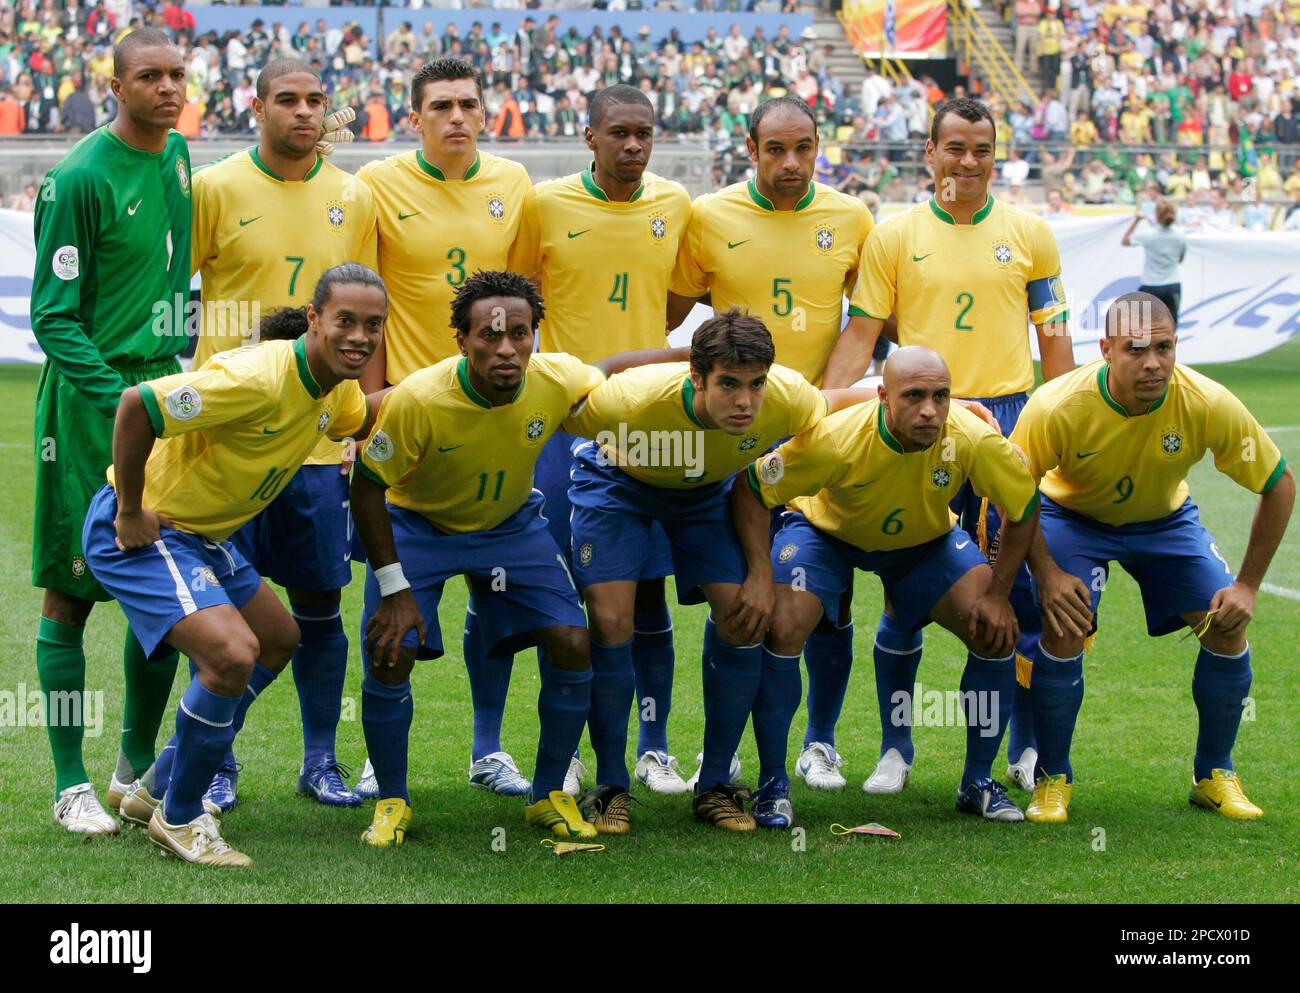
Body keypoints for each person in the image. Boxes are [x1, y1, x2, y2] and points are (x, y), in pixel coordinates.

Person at [349, 270, 681, 846]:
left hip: (509, 526)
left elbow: (615, 368)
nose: (506, 349)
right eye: (489, 336)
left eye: (520, 335)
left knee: (573, 640)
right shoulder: (420, 399)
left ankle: (548, 794)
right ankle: (392, 800)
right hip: (417, 526)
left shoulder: (553, 378)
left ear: (535, 335)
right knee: (389, 651)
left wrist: (690, 353)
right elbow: (366, 483)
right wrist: (395, 588)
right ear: (462, 340)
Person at [82, 265, 386, 866]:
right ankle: (182, 817)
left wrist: (445, 389)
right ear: (314, 320)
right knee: (230, 654)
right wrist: (130, 508)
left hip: (204, 538)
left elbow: (364, 415)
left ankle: (158, 787)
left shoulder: (338, 388)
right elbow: (137, 403)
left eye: (372, 325)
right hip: (152, 533)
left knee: (277, 639)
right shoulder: (255, 376)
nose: (359, 336)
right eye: (345, 321)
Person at [830, 96, 1075, 802]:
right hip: (922, 420)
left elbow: (1053, 341)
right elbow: (862, 333)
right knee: (908, 593)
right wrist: (815, 409)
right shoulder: (894, 236)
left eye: (982, 149)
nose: (968, 161)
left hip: (1005, 423)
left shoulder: (1031, 233)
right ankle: (895, 746)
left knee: (1018, 597)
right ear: (929, 153)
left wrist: (1063, 430)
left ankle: (1022, 748)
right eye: (955, 148)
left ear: (996, 156)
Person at [563, 311, 869, 832]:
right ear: (696, 377)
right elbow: (557, 398)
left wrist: (960, 407)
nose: (746, 401)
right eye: (728, 384)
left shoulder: (789, 398)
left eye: (755, 384)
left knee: (743, 616)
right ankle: (611, 785)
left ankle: (715, 788)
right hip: (619, 485)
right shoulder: (629, 402)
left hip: (707, 495)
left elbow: (847, 400)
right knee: (612, 621)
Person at [1011, 293, 1294, 823]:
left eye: (1164, 348)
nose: (1153, 363)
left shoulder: (1206, 400)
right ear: (1106, 350)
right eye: (1136, 349)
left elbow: (1279, 485)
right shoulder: (1056, 405)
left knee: (1225, 626)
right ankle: (1052, 779)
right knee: (1065, 627)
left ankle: (1213, 774)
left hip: (1166, 523)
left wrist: (1248, 586)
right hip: (1074, 521)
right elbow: (1015, 492)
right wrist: (1045, 573)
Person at [734, 347, 1044, 825]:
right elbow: (753, 488)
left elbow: (1022, 507)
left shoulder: (973, 439)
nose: (929, 410)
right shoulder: (835, 439)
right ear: (882, 397)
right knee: (783, 624)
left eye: (941, 397)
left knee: (994, 632)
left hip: (923, 542)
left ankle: (977, 780)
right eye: (914, 396)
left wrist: (999, 593)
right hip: (826, 535)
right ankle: (774, 782)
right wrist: (758, 574)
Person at [186, 58, 378, 812]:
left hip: (320, 439)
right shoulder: (214, 187)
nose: (303, 112)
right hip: (229, 438)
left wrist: (362, 408)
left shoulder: (352, 195)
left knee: (320, 606)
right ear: (257, 105)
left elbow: (364, 311)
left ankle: (320, 760)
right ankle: (219, 758)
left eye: (315, 100)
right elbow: (174, 290)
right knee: (225, 617)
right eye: (287, 100)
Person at [668, 96, 875, 793]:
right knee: (738, 591)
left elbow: (868, 320)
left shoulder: (850, 218)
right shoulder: (710, 217)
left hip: (818, 434)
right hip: (735, 435)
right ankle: (719, 750)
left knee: (828, 592)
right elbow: (670, 315)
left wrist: (825, 404)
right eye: (777, 149)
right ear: (750, 146)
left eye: (805, 149)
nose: (792, 163)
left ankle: (820, 740)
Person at [353, 56, 535, 798]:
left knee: (495, 604)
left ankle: (487, 748)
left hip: (492, 419)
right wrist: (368, 412)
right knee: (392, 607)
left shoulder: (513, 186)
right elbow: (364, 303)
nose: (457, 116)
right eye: (441, 106)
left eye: (467, 103)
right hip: (408, 421)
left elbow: (524, 304)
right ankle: (380, 756)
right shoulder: (376, 186)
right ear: (414, 116)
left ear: (484, 110)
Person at [29, 28, 192, 837]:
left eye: (177, 76)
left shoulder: (179, 156)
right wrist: (118, 398)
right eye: (150, 78)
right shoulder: (79, 178)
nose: (168, 89)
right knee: (70, 593)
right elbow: (51, 319)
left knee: (157, 590)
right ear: (116, 85)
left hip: (160, 394)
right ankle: (69, 781)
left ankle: (133, 768)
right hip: (89, 410)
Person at [511, 84, 694, 797]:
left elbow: (676, 300)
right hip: (565, 423)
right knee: (565, 592)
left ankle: (652, 745)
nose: (633, 146)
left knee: (645, 592)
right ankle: (572, 746)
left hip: (648, 424)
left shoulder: (674, 205)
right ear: (589, 136)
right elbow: (523, 296)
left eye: (644, 133)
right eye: (618, 132)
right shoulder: (545, 203)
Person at [1121, 200, 1187, 328]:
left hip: (1150, 286)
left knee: (1145, 329)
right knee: (1170, 328)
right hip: (1172, 285)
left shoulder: (1148, 235)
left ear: (1157, 215)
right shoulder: (1181, 236)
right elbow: (1180, 259)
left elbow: (1125, 241)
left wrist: (1136, 221)